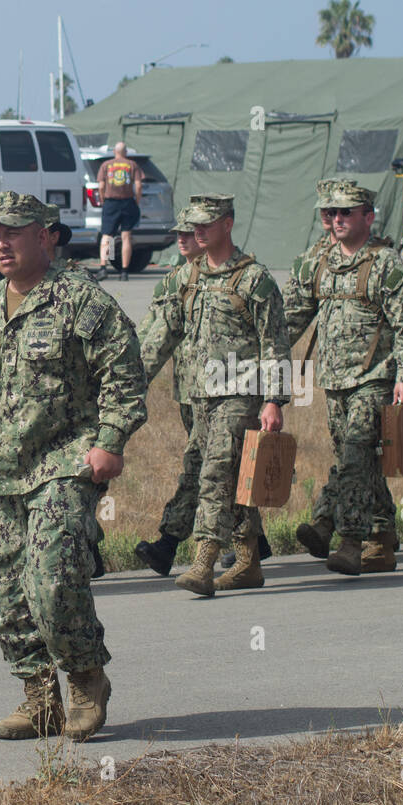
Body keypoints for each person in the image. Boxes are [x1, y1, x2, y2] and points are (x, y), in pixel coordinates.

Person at [0, 191, 147, 742]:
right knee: (7, 589)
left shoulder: (81, 302)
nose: (1, 244)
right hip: (7, 472)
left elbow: (125, 374)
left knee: (53, 579)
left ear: (47, 236)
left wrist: (110, 441)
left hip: (67, 464)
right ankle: (38, 696)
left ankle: (87, 680)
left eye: (14, 233)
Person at [139, 194, 291, 596]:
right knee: (236, 477)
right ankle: (248, 561)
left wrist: (275, 400)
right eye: (194, 224)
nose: (198, 230)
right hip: (199, 396)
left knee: (215, 472)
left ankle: (203, 561)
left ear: (228, 223)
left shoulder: (254, 279)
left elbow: (274, 343)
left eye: (206, 223)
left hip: (240, 392)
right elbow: (162, 336)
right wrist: (132, 380)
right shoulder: (188, 277)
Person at [283, 183, 403, 574]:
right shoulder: (320, 262)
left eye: (347, 213)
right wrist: (261, 350)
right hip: (333, 380)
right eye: (332, 213)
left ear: (368, 216)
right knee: (360, 459)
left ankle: (347, 537)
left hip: (375, 378)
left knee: (355, 454)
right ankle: (383, 539)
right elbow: (293, 316)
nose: (338, 219)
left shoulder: (386, 264)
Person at [95, 142, 144, 281]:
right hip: (128, 201)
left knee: (108, 235)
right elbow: (139, 186)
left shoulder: (106, 165)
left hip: (111, 202)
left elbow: (101, 186)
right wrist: (137, 201)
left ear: (114, 151)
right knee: (126, 236)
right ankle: (124, 272)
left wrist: (104, 200)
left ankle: (103, 268)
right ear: (126, 152)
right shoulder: (132, 165)